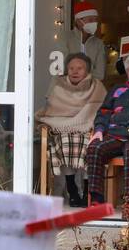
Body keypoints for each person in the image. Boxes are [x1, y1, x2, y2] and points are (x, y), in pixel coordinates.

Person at [36, 53, 107, 207]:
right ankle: (72, 189)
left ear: (87, 70)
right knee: (65, 141)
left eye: (79, 68)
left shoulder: (97, 86)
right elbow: (53, 110)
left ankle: (88, 190)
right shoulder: (58, 86)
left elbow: (101, 111)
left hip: (88, 127)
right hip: (62, 127)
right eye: (71, 68)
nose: (75, 71)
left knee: (91, 145)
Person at [85, 52, 129, 221]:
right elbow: (103, 112)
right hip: (115, 135)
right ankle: (97, 201)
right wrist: (98, 131)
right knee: (94, 147)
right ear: (127, 72)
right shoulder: (117, 91)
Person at [65, 1, 107, 84]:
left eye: (95, 20)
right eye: (90, 20)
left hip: (89, 92)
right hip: (66, 91)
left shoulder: (98, 44)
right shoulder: (65, 39)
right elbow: (62, 70)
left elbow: (100, 74)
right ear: (78, 21)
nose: (94, 23)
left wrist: (76, 73)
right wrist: (87, 74)